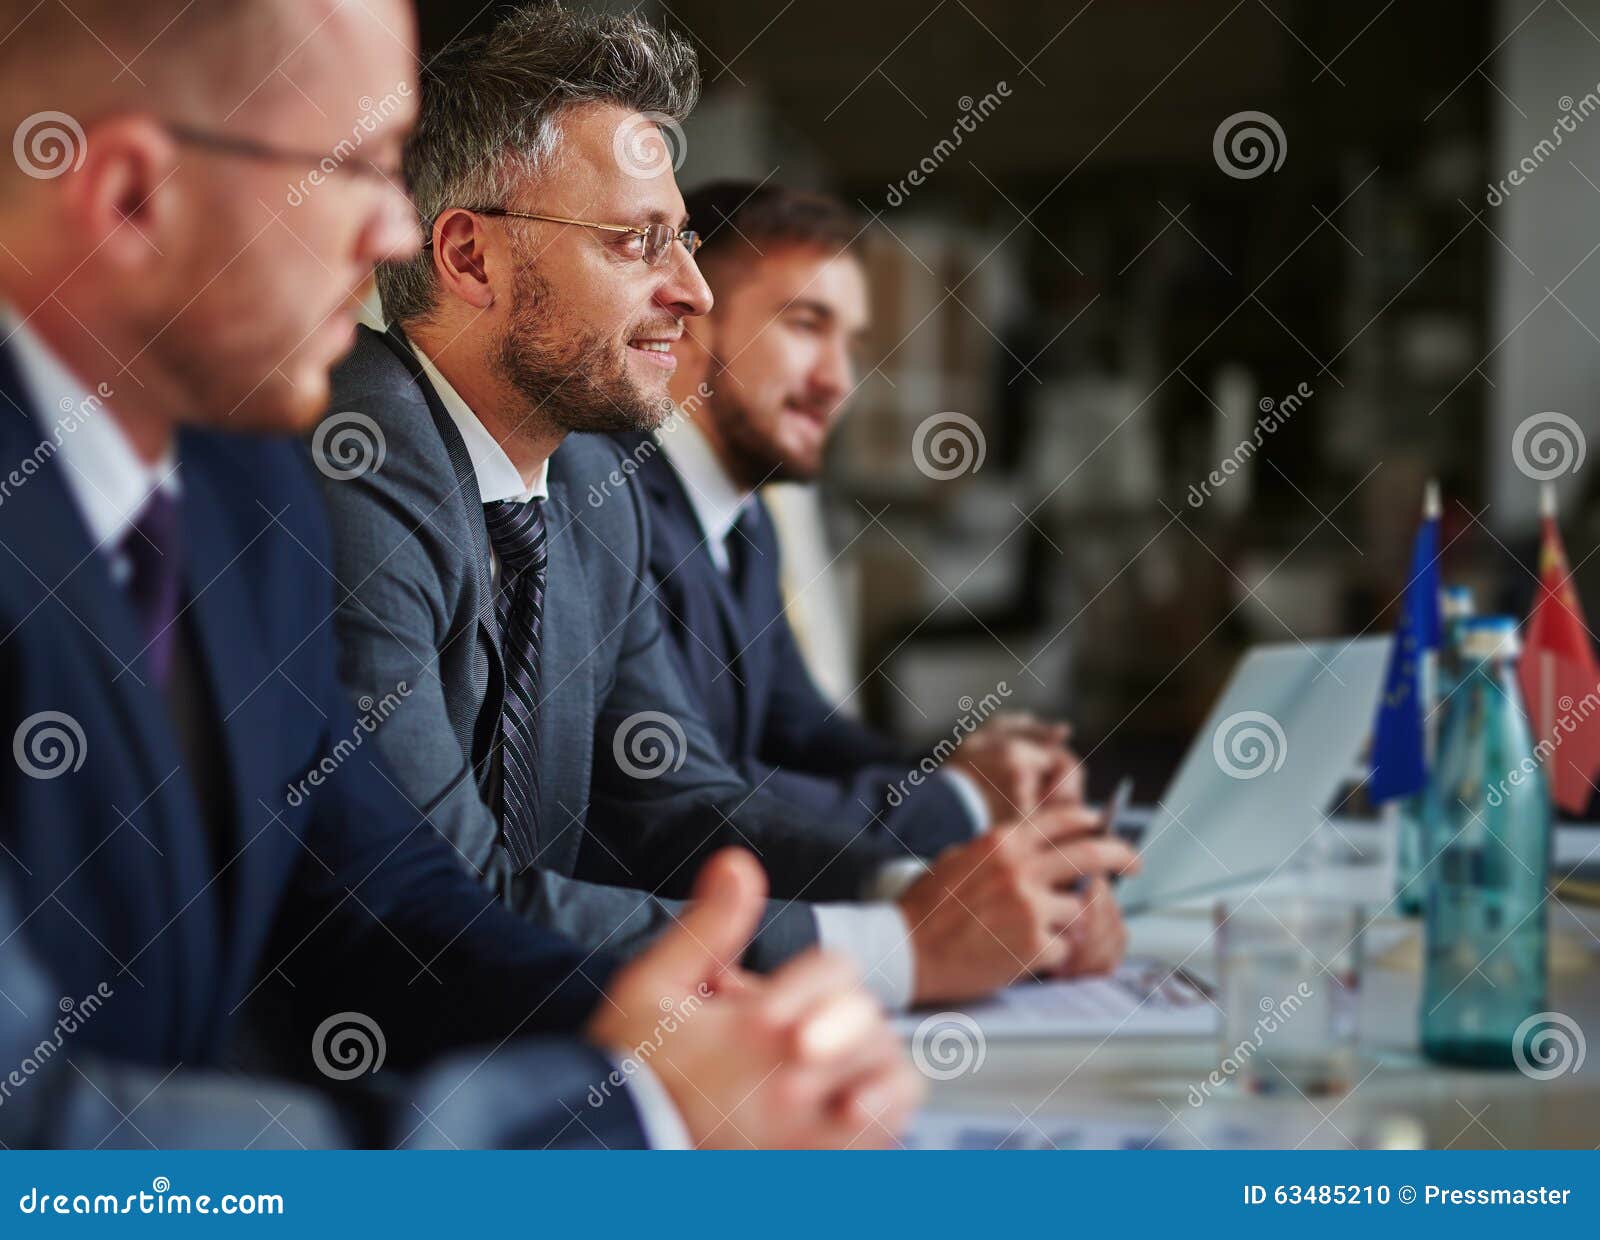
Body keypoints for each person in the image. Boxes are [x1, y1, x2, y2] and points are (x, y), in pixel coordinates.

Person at [0, 0, 916, 1150]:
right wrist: (633, 1115)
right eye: (355, 168)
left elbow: (387, 894)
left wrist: (683, 1030)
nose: (395, 235)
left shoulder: (244, 484)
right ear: (132, 194)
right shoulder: (332, 458)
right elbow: (36, 1137)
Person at [321, 4, 1137, 1010]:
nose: (694, 291)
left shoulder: (589, 484)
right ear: (469, 258)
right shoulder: (358, 453)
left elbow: (671, 806)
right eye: (637, 242)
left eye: (685, 244)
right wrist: (894, 950)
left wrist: (932, 896)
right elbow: (440, 901)